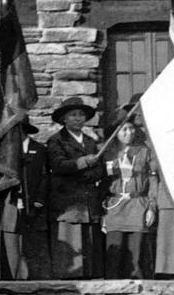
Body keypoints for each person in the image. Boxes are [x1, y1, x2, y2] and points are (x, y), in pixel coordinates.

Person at [44, 98, 106, 278]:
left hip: (88, 202)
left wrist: (87, 174)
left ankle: (90, 279)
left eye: (81, 115)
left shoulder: (91, 142)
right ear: (63, 118)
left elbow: (100, 171)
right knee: (71, 243)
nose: (78, 118)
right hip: (67, 203)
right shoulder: (56, 141)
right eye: (73, 115)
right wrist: (83, 162)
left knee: (89, 245)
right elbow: (58, 165)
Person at [99, 111, 159, 279]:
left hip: (137, 205)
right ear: (115, 132)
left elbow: (153, 181)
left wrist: (151, 207)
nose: (129, 133)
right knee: (114, 253)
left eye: (131, 128)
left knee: (136, 253)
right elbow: (101, 183)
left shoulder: (144, 151)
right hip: (114, 206)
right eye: (123, 129)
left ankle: (138, 289)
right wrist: (102, 212)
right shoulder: (107, 152)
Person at [0, 132, 48, 279]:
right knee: (10, 234)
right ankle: (11, 275)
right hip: (10, 201)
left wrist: (39, 199)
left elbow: (44, 176)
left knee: (31, 239)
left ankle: (31, 276)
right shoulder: (5, 149)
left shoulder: (39, 148)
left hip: (32, 201)